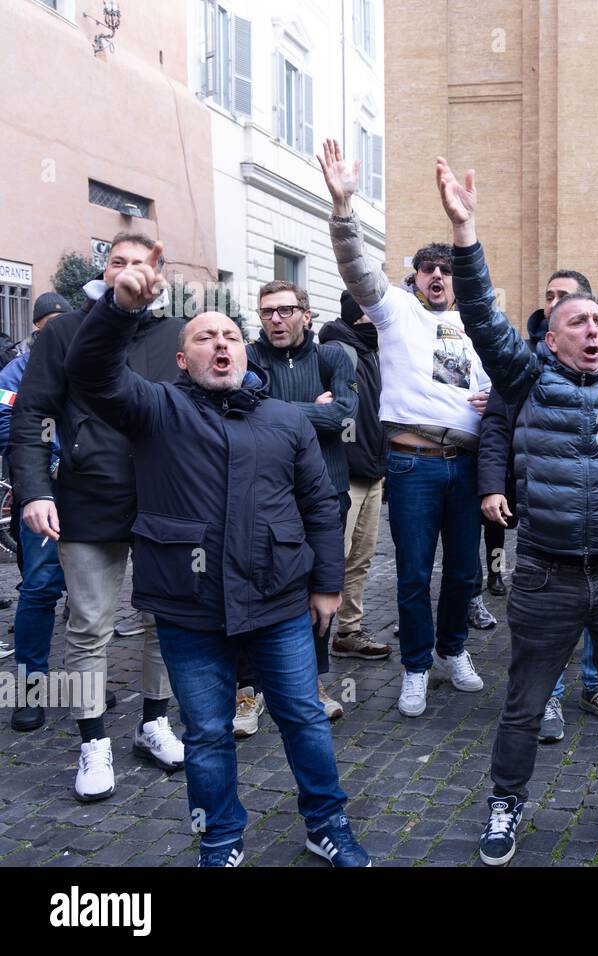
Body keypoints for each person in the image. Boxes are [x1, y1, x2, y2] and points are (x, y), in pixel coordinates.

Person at [63, 244, 368, 866]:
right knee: (206, 733)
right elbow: (91, 375)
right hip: (188, 608)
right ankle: (221, 837)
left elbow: (318, 505)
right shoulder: (156, 408)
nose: (221, 344)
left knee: (304, 720)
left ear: (245, 349)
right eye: (205, 337)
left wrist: (328, 586)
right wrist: (119, 312)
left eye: (231, 334)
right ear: (183, 358)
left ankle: (326, 822)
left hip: (281, 602)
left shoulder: (287, 420)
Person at [432, 157, 598, 866]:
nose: (593, 329)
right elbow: (482, 316)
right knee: (523, 704)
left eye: (597, 322)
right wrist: (467, 229)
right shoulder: (525, 377)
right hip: (545, 574)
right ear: (551, 339)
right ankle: (506, 803)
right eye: (576, 321)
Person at [320, 137, 493, 715]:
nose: (438, 276)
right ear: (414, 276)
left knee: (465, 571)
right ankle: (416, 665)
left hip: (467, 464)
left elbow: (507, 381)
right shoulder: (395, 309)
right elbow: (356, 270)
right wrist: (344, 209)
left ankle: (452, 651)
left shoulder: (479, 323)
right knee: (415, 573)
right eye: (427, 268)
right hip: (413, 462)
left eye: (446, 268)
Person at [10, 232, 183, 801]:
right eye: (118, 261)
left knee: (168, 619)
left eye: (141, 262)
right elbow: (32, 412)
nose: (129, 270)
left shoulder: (176, 334)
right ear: (101, 271)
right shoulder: (62, 331)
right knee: (89, 627)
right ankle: (93, 743)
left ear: (159, 274)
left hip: (164, 500)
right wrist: (36, 489)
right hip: (87, 496)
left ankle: (154, 723)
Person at [245, 280, 359, 721]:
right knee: (255, 585)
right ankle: (248, 688)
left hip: (325, 491)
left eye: (286, 310)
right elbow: (240, 411)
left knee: (322, 587)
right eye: (267, 311)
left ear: (306, 315)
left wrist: (277, 409)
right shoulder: (250, 356)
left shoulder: (331, 355)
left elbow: (345, 414)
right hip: (264, 494)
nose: (276, 319)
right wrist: (310, 410)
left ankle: (311, 679)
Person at [0, 293, 71, 731]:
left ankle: (85, 676)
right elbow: (6, 426)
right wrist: (52, 461)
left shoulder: (88, 362)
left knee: (90, 593)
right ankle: (31, 688)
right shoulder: (17, 371)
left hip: (92, 494)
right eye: (52, 325)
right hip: (42, 492)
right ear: (38, 328)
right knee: (41, 586)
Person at [318, 292, 392, 662]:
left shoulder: (373, 350)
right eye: (370, 309)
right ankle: (315, 644)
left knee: (360, 558)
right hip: (343, 474)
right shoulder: (336, 349)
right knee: (334, 559)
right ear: (358, 314)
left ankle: (348, 630)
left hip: (373, 471)